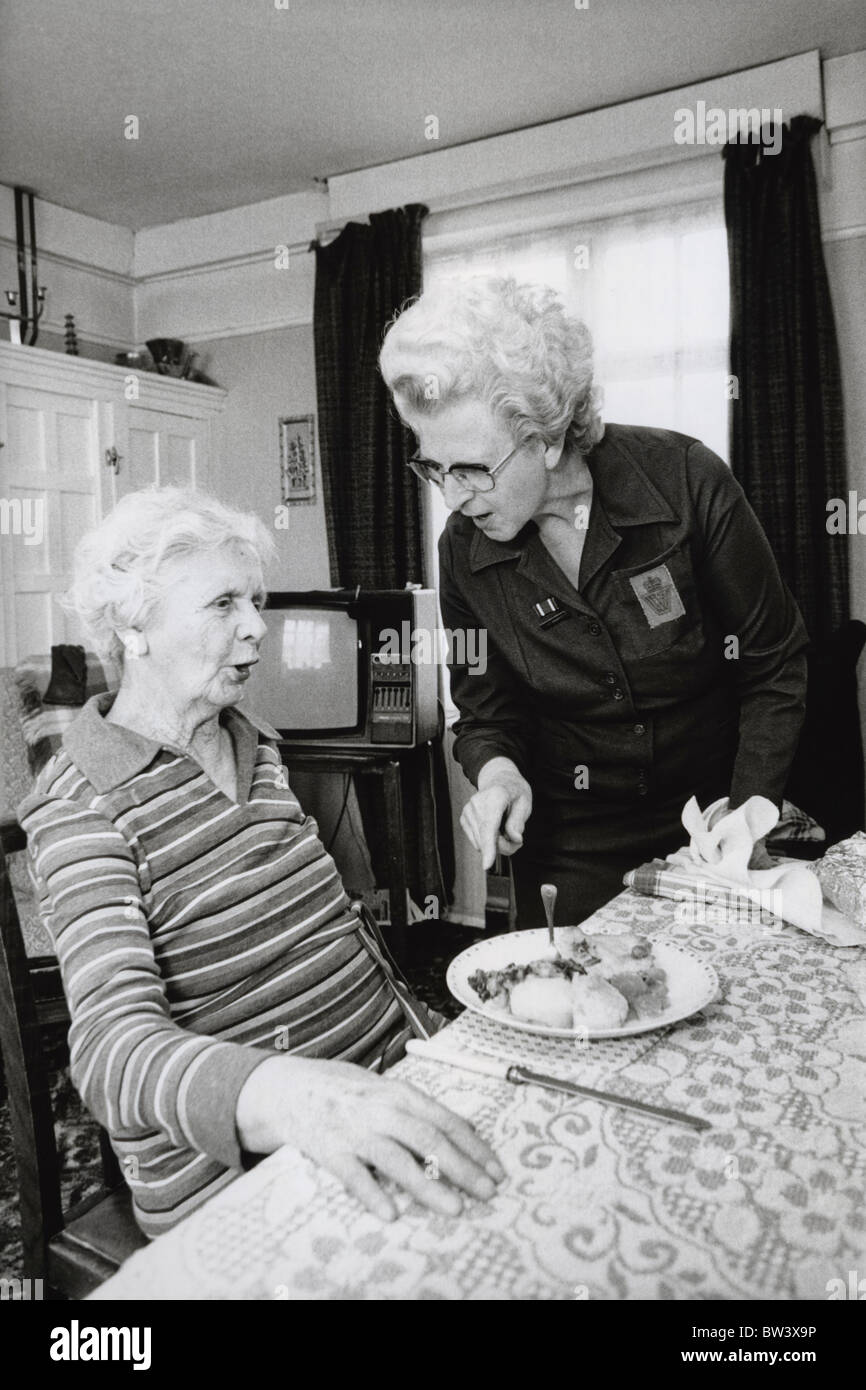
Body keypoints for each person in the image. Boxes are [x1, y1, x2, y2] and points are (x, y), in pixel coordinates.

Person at [18, 488, 503, 1237]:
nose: (256, 628)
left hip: (392, 1085)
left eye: (255, 601)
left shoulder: (251, 737)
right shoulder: (82, 804)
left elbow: (334, 931)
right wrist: (291, 1097)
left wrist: (432, 1034)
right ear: (132, 627)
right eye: (223, 605)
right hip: (251, 1176)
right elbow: (113, 1053)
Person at [379, 276, 809, 928]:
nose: (452, 495)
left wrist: (748, 814)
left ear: (547, 439)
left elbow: (774, 664)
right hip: (569, 845)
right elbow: (485, 711)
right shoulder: (462, 552)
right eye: (433, 467)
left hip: (714, 817)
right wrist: (499, 778)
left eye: (471, 468)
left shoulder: (687, 483)